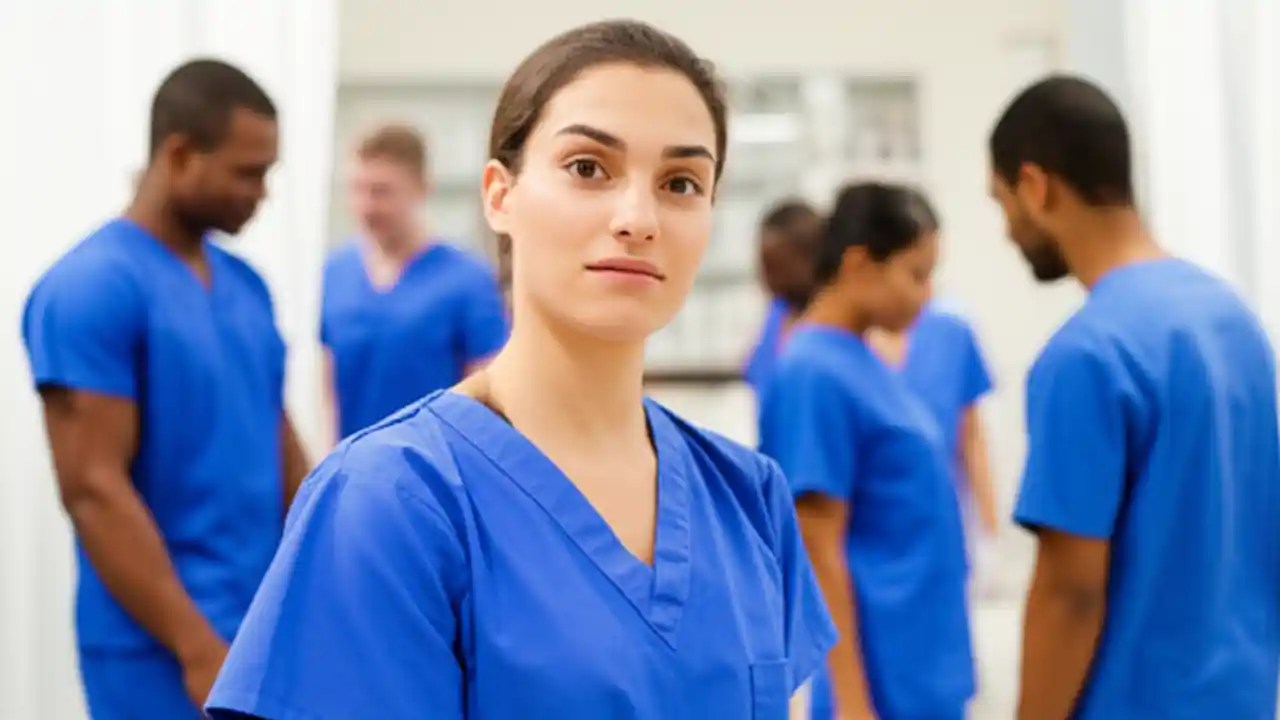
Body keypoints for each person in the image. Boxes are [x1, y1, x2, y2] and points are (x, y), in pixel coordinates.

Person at [205, 20, 835, 720]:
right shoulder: (389, 502)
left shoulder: (748, 499)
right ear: (499, 196)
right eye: (588, 168)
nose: (638, 217)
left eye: (681, 182)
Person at [20, 59, 309, 719]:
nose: (261, 193)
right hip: (161, 650)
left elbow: (279, 443)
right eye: (247, 172)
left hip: (258, 631)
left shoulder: (246, 286)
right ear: (179, 154)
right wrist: (196, 648)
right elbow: (92, 489)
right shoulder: (92, 286)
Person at [990, 75, 1280, 719]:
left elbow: (1071, 592)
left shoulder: (1087, 353)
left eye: (1002, 201)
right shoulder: (1234, 318)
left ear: (1035, 187)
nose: (1007, 230)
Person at [761, 182, 974, 720]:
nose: (927, 295)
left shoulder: (863, 361)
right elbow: (817, 547)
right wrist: (853, 703)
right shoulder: (812, 371)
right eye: (916, 274)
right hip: (882, 685)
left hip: (924, 666)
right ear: (859, 265)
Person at [321, 123, 508, 444]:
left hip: (435, 470)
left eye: (381, 191)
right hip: (353, 469)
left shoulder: (467, 280)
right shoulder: (336, 272)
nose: (366, 206)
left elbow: (486, 395)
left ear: (422, 188)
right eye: (357, 189)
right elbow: (330, 386)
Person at [863, 196, 999, 579]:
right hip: (875, 545)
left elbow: (971, 439)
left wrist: (989, 532)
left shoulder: (952, 333)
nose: (926, 292)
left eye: (929, 274)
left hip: (944, 535)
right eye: (915, 274)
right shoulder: (844, 355)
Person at [743, 199, 821, 404]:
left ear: (810, 259)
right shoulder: (779, 312)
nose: (764, 277)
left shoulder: (838, 326)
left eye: (775, 267)